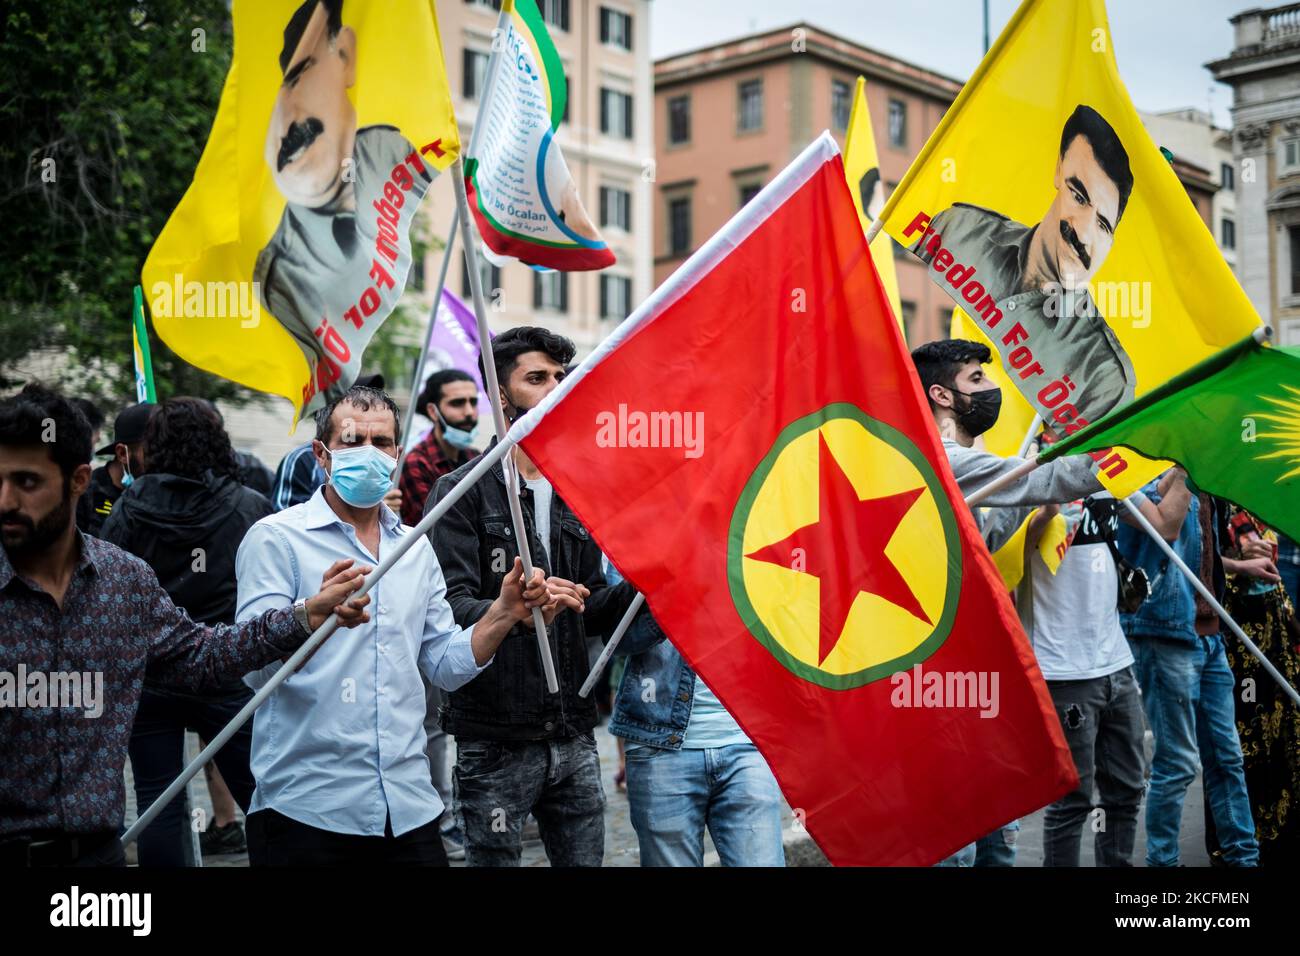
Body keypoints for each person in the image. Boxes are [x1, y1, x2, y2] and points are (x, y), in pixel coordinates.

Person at [0, 384, 371, 866]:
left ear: (78, 481)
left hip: (96, 860)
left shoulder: (122, 579)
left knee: (241, 798)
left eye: (27, 482)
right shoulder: (244, 504)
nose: (6, 500)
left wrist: (304, 616)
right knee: (176, 802)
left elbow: (202, 654)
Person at [236, 383, 552, 866]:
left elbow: (445, 663)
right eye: (351, 440)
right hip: (308, 809)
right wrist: (311, 617)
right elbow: (252, 672)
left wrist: (504, 613)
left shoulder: (414, 546)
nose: (368, 452)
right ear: (322, 454)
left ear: (397, 453)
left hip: (408, 806)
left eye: (380, 442)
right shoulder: (276, 539)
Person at [428, 326, 644, 867]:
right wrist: (515, 609)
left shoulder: (577, 490)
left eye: (561, 377)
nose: (556, 387)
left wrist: (650, 582)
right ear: (501, 396)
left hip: (572, 728)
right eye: (537, 377)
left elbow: (590, 606)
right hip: (495, 735)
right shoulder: (459, 491)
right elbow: (449, 607)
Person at [912, 338, 1106, 866]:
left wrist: (1033, 504)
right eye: (976, 380)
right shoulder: (938, 456)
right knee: (962, 844)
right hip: (941, 681)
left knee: (999, 841)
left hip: (976, 671)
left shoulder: (966, 458)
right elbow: (1048, 477)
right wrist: (1124, 446)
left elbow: (988, 539)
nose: (992, 389)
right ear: (942, 395)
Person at [101, 398, 273, 866]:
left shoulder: (129, 507)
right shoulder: (249, 506)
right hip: (229, 669)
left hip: (153, 674)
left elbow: (109, 583)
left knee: (159, 799)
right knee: (263, 794)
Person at [908, 105, 1136, 425]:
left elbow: (1097, 465)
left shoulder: (1102, 372)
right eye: (1079, 197)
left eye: (1102, 225)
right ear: (1057, 171)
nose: (1084, 233)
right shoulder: (961, 229)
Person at [255, 0, 433, 408]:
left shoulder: (397, 149)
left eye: (299, 74)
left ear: (347, 56)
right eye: (277, 91)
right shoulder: (279, 276)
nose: (286, 114)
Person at [1020, 473, 1186, 866]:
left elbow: (1165, 525)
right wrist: (1045, 514)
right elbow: (1004, 552)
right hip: (1063, 668)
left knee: (1127, 790)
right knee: (1071, 801)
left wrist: (1184, 470)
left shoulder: (1109, 472)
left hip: (1116, 662)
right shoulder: (1029, 470)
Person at [1116, 483, 1268, 867]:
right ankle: (1163, 862)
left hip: (1210, 634)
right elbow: (1166, 528)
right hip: (1166, 630)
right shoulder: (1135, 476)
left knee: (1228, 757)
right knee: (1178, 761)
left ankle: (1243, 859)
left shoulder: (1200, 479)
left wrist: (1239, 565)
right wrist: (1182, 466)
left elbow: (1199, 551)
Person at [606, 561, 786, 867]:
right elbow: (617, 637)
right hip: (659, 745)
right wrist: (676, 594)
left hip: (749, 740)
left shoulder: (754, 526)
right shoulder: (631, 534)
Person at [1217, 504, 1300, 865]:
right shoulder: (1209, 495)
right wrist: (1237, 558)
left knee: (1283, 733)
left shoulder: (1256, 493)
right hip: (1237, 634)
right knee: (1243, 739)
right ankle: (1245, 839)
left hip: (1274, 627)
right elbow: (1195, 559)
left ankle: (1281, 833)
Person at [271, 373, 387, 511]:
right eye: (356, 404)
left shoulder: (379, 458)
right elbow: (287, 521)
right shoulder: (301, 460)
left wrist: (381, 510)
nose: (367, 411)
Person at [398, 369, 480, 528]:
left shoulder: (477, 457)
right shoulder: (416, 463)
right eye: (457, 403)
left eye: (473, 402)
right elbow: (438, 528)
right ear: (432, 412)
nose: (469, 412)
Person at [75, 402, 152, 538]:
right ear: (122, 453)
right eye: (151, 450)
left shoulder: (156, 495)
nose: (160, 458)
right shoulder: (85, 492)